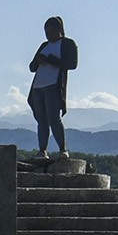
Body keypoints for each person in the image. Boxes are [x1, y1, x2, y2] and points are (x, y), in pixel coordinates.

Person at [27, 16, 79, 160]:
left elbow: (72, 64)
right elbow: (32, 67)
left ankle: (63, 150)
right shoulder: (44, 45)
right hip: (38, 87)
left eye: (51, 32)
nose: (48, 35)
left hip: (53, 86)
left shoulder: (68, 44)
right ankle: (42, 150)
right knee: (41, 120)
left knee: (54, 119)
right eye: (46, 32)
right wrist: (38, 60)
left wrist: (50, 59)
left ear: (60, 30)